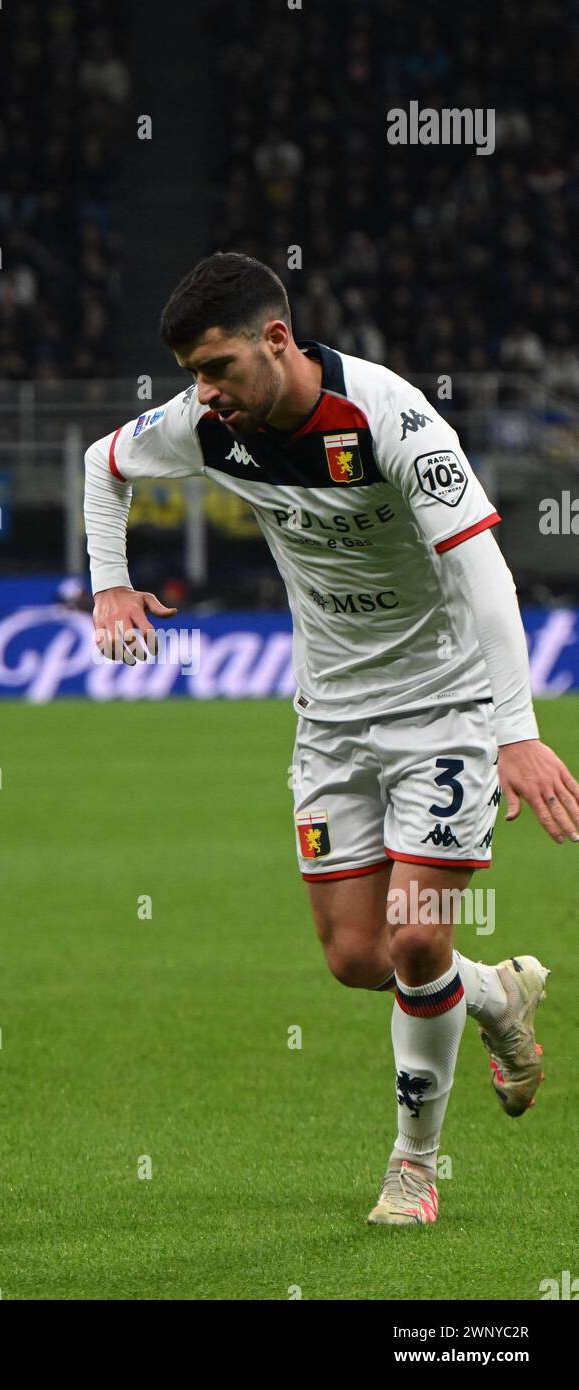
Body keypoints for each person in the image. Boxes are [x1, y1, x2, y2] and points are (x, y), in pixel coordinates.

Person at [82, 251, 579, 1226]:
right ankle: (493, 995)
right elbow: (103, 465)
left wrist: (513, 733)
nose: (203, 391)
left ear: (276, 340)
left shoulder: (390, 419)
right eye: (190, 372)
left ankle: (413, 1165)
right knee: (359, 957)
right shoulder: (205, 426)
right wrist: (108, 580)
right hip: (328, 718)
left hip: (441, 706)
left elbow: (484, 575)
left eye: (217, 365)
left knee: (415, 934)